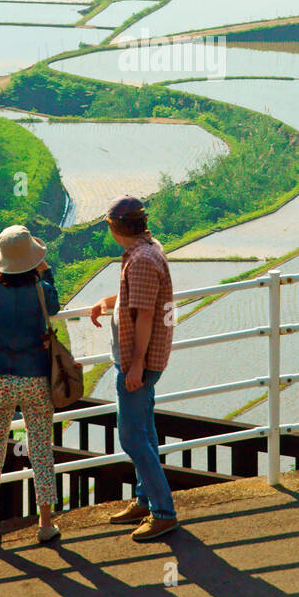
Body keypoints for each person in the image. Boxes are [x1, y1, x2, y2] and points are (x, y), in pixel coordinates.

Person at [0, 224, 61, 549]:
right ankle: (45, 524)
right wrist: (47, 275)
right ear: (32, 257)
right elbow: (54, 307)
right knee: (41, 451)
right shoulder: (39, 287)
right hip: (34, 379)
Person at [90, 195, 178, 541]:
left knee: (130, 436)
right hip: (142, 360)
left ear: (115, 228)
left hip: (137, 361)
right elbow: (136, 297)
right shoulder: (147, 249)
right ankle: (145, 500)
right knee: (144, 431)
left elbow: (143, 315)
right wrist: (106, 302)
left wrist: (136, 365)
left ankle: (163, 512)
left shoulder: (141, 259)